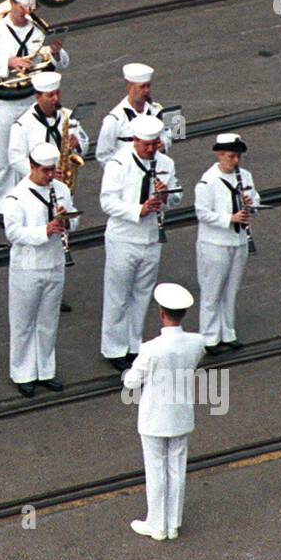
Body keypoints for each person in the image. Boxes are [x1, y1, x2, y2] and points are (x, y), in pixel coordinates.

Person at [0, 0, 69, 216]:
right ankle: (2, 205)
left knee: (31, 151)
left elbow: (61, 64)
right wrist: (8, 63)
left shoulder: (37, 30)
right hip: (6, 102)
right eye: (22, 7)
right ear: (12, 3)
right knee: (4, 155)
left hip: (31, 99)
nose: (27, 13)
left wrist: (56, 52)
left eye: (29, 8)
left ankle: (32, 198)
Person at [122, 282, 207, 541]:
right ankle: (173, 523)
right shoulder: (197, 342)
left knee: (156, 468)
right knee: (177, 468)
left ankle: (157, 524)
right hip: (181, 413)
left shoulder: (150, 348)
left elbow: (131, 382)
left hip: (154, 417)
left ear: (161, 313)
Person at [100, 114, 181, 371]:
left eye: (154, 144)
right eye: (146, 145)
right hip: (124, 237)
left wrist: (166, 194)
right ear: (135, 140)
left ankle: (134, 345)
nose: (151, 149)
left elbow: (178, 196)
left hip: (151, 238)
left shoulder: (165, 163)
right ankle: (113, 348)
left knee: (142, 293)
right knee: (118, 294)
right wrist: (139, 209)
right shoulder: (118, 164)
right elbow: (107, 202)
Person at [1, 142, 75, 395]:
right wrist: (44, 230)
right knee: (23, 322)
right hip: (28, 267)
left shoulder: (61, 189)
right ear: (32, 167)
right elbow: (13, 232)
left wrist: (66, 221)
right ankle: (22, 373)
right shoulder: (16, 196)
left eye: (52, 170)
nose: (50, 175)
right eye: (45, 170)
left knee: (48, 320)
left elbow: (75, 220)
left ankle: (45, 370)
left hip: (54, 262)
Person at [194, 132, 259, 354]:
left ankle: (228, 332)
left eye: (238, 156)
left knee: (231, 289)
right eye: (231, 156)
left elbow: (256, 198)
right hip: (215, 242)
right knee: (212, 290)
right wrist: (229, 219)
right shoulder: (207, 181)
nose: (236, 161)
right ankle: (209, 337)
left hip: (238, 240)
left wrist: (251, 204)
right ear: (219, 155)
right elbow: (202, 213)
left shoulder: (245, 176)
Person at [7, 71, 90, 190]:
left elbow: (84, 143)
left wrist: (77, 144)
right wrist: (45, 172)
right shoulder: (22, 125)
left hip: (63, 184)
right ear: (38, 96)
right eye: (50, 95)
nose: (55, 99)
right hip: (36, 186)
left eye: (57, 93)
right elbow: (16, 159)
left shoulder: (68, 115)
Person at [96, 64, 175, 168]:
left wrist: (163, 144)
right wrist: (120, 171)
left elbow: (169, 134)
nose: (146, 90)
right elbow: (103, 155)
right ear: (129, 87)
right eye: (142, 87)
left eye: (148, 86)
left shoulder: (157, 110)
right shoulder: (114, 119)